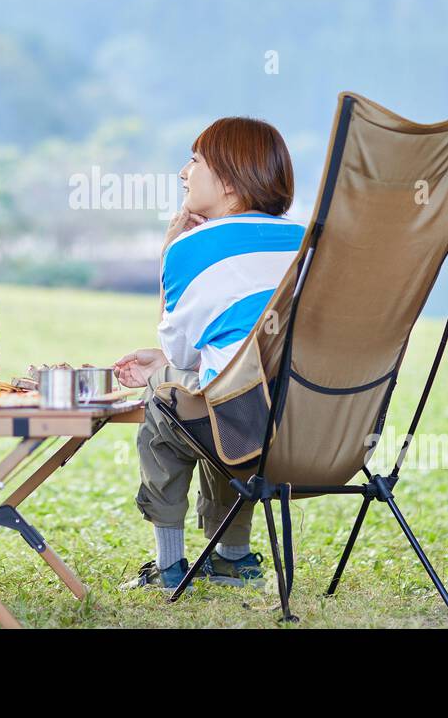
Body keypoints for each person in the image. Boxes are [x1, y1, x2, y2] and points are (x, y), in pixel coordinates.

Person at [114, 117, 305, 591]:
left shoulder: (193, 247)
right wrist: (176, 364)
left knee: (167, 402)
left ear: (229, 177)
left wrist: (168, 251)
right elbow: (257, 347)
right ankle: (233, 558)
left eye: (195, 159)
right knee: (208, 389)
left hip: (246, 434)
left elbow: (175, 348)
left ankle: (169, 566)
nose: (184, 172)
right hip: (322, 433)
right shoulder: (308, 242)